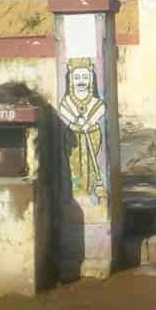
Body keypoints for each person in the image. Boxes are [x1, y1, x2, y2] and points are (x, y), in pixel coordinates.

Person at [58, 57, 107, 202]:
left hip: (92, 135)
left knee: (90, 164)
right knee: (75, 167)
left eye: (85, 77)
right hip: (73, 137)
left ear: (91, 80)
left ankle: (92, 189)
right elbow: (63, 110)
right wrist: (75, 120)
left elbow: (101, 109)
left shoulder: (96, 102)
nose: (81, 81)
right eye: (77, 77)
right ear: (71, 79)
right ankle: (76, 193)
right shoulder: (67, 102)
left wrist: (89, 122)